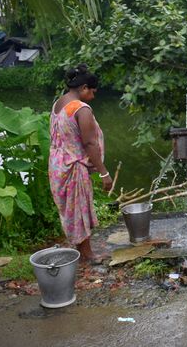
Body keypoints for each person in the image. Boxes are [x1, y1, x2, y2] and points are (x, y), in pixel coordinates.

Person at [49, 63, 112, 263]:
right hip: (73, 166)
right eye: (92, 92)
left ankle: (81, 249)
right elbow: (89, 143)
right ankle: (87, 255)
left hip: (58, 164)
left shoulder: (59, 103)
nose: (93, 96)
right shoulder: (81, 109)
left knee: (72, 209)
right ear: (84, 88)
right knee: (78, 208)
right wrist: (103, 173)